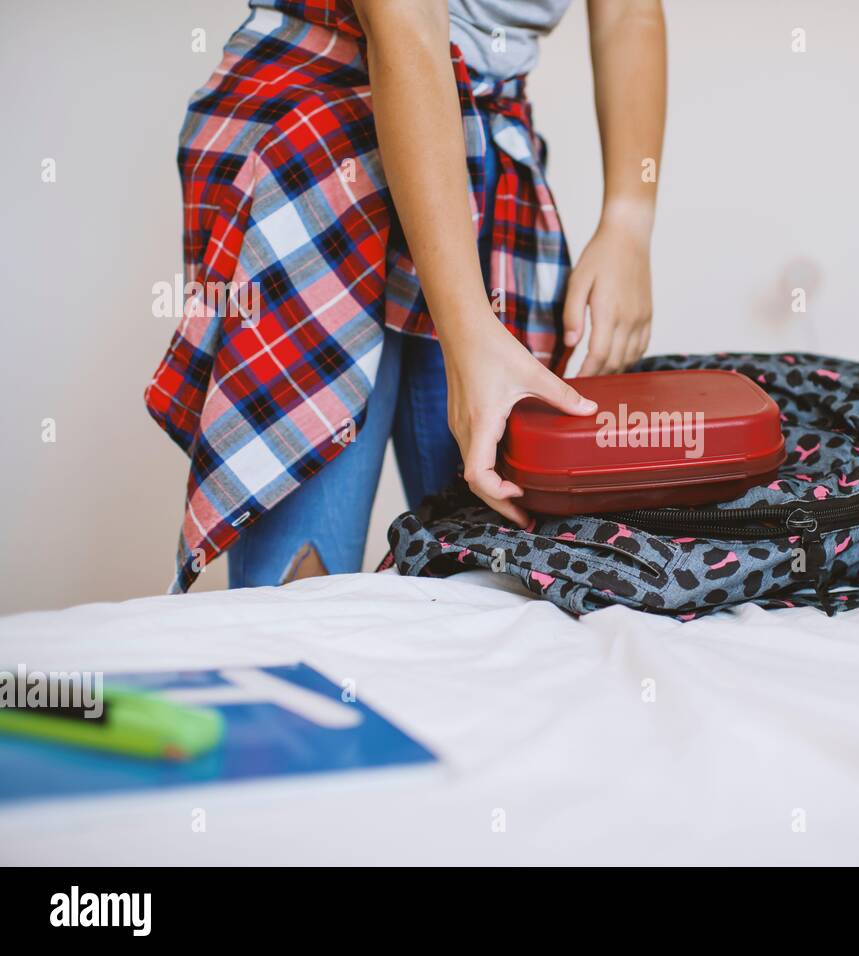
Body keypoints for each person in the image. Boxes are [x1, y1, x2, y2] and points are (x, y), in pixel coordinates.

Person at [144, 0, 666, 592]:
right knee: (305, 597)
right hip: (320, 138)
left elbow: (628, 11)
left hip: (479, 140)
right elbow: (407, 24)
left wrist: (629, 220)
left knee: (498, 561)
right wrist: (467, 327)